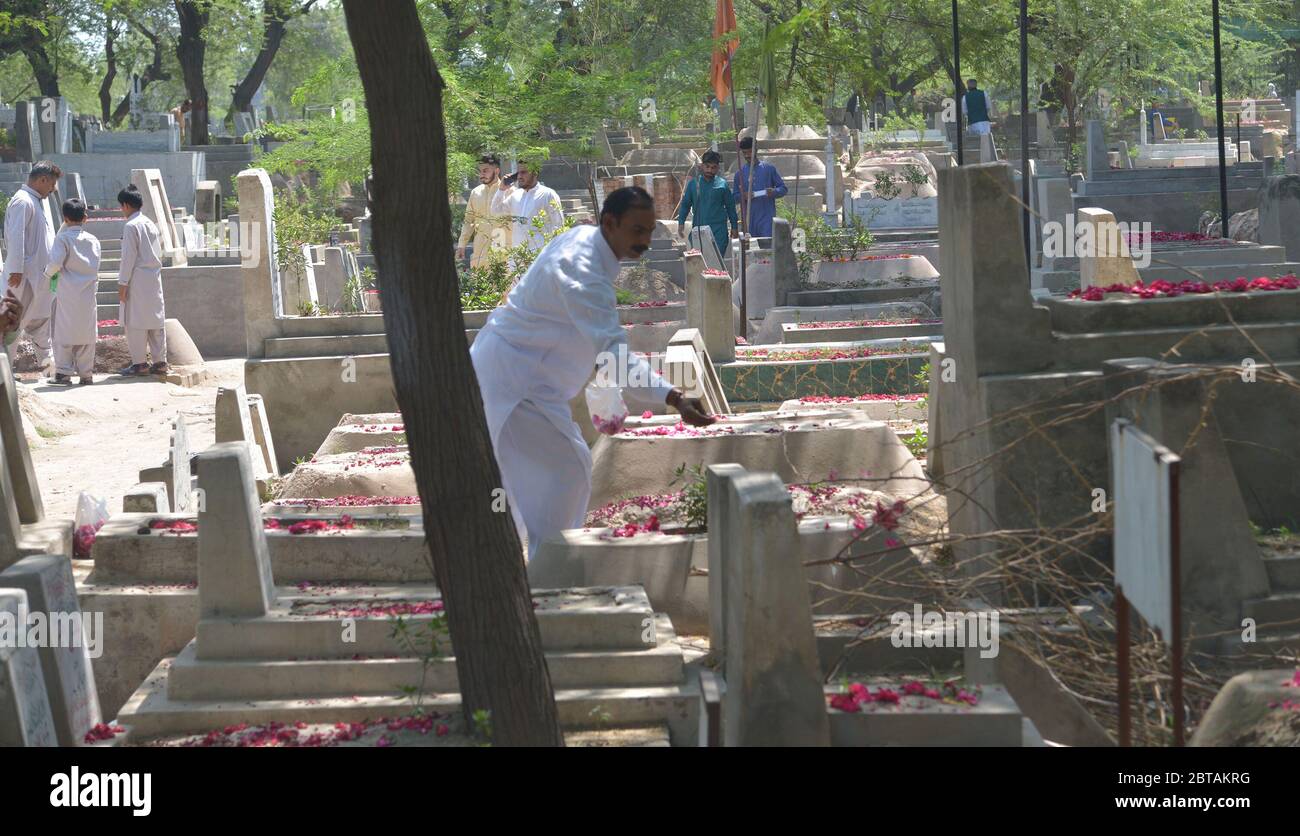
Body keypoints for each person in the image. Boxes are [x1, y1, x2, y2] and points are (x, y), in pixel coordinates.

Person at [470, 186, 714, 559]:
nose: (645, 241)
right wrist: (674, 398)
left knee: (529, 482)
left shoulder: (586, 244)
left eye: (649, 231)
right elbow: (615, 356)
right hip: (513, 381)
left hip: (530, 383)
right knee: (566, 470)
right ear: (609, 223)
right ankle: (550, 566)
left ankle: (533, 566)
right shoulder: (581, 269)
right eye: (637, 231)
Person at [3, 160, 60, 373]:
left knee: (41, 327)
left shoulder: (35, 201)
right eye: (51, 184)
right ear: (42, 179)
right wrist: (16, 269)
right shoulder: (23, 201)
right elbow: (16, 237)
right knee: (12, 326)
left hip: (40, 280)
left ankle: (51, 372)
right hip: (23, 280)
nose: (53, 189)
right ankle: (4, 375)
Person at [44, 199, 101, 386]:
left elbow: (55, 263)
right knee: (86, 333)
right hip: (88, 293)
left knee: (63, 333)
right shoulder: (94, 240)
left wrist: (46, 274)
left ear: (65, 218)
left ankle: (63, 373)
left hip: (67, 293)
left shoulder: (63, 238)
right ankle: (86, 374)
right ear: (85, 217)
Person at [116, 185, 168, 376]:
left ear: (126, 205)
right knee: (155, 321)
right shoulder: (150, 224)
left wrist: (122, 283)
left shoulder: (131, 226)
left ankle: (139, 363)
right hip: (153, 277)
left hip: (137, 278)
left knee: (135, 322)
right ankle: (160, 361)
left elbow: (128, 257)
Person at [490, 159, 565, 255]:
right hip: (518, 257)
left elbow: (558, 226)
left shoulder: (548, 194)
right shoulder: (515, 195)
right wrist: (501, 190)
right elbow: (495, 211)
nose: (519, 176)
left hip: (539, 255)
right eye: (518, 173)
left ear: (535, 173)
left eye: (524, 172)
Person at [676, 150, 738, 259]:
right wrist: (681, 223)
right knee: (701, 264)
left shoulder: (722, 185)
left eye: (713, 167)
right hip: (699, 230)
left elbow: (730, 207)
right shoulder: (694, 184)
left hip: (719, 231)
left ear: (718, 168)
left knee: (717, 263)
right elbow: (685, 205)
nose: (710, 170)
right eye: (707, 166)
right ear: (702, 166)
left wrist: (734, 226)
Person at [456, 153, 511, 267]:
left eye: (485, 171)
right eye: (480, 171)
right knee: (481, 283)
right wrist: (462, 244)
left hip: (502, 248)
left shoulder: (510, 192)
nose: (481, 175)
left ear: (497, 171)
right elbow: (469, 221)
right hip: (480, 249)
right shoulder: (475, 193)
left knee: (503, 283)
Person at [733, 136, 787, 238]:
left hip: (766, 218)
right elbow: (734, 197)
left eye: (750, 152)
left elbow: (783, 189)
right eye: (745, 153)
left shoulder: (768, 169)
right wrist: (743, 196)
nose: (748, 155)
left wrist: (774, 192)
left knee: (766, 247)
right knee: (750, 250)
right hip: (748, 220)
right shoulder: (739, 174)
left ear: (756, 150)